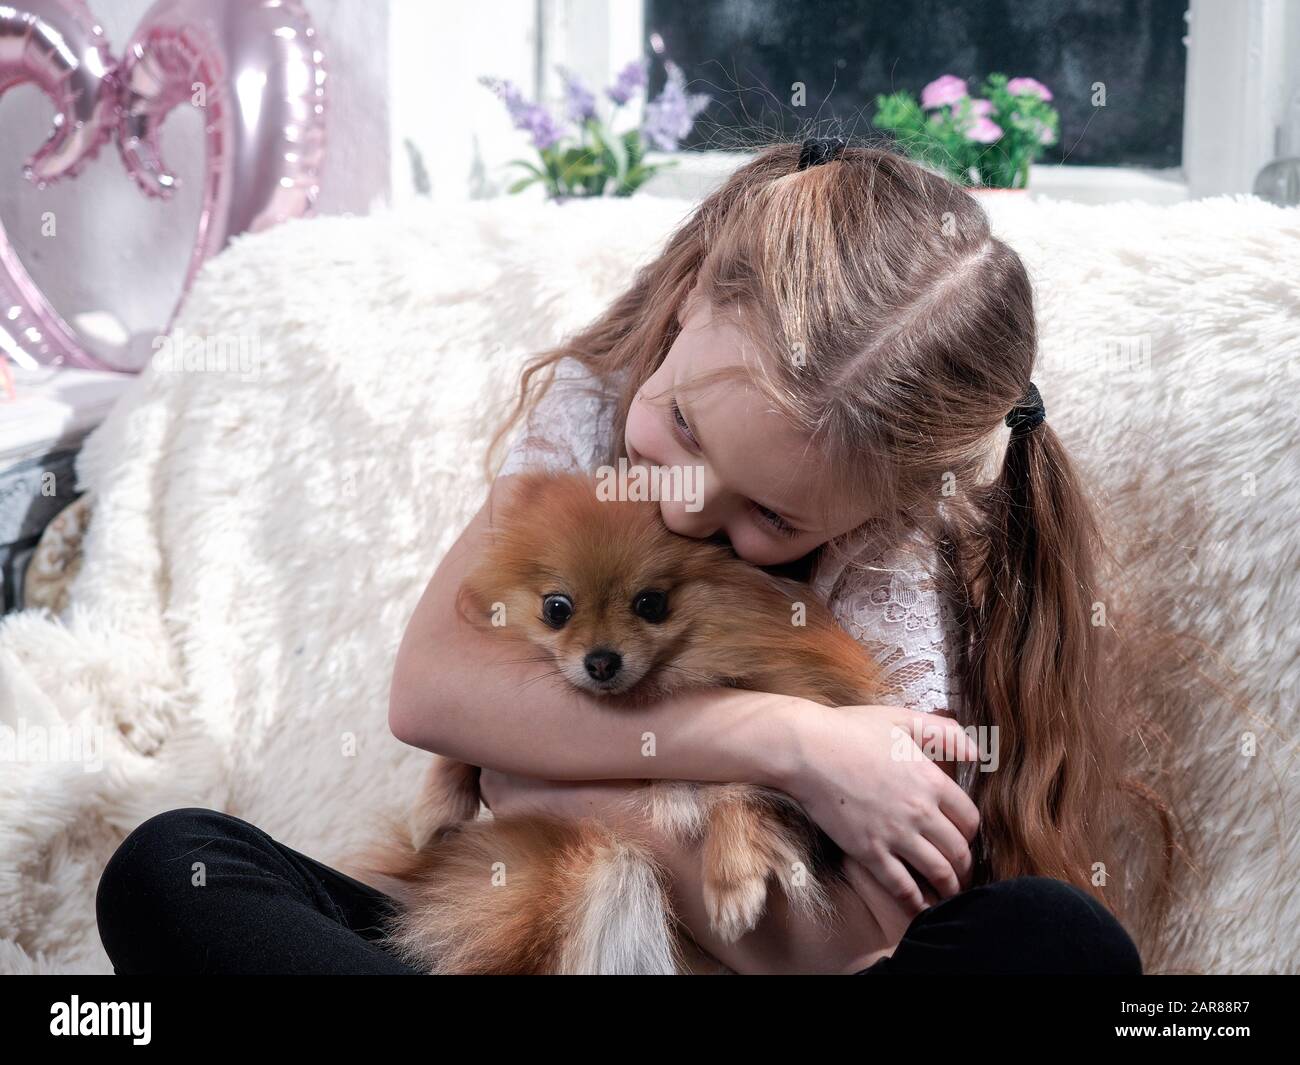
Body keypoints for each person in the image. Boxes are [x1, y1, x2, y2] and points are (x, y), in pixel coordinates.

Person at [97, 137, 1159, 974]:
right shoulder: (590, 406)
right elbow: (429, 693)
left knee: (1053, 940)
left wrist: (543, 769)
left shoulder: (887, 555)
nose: (689, 506)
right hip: (522, 928)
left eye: (773, 520)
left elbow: (847, 944)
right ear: (694, 294)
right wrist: (793, 743)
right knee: (175, 865)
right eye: (685, 434)